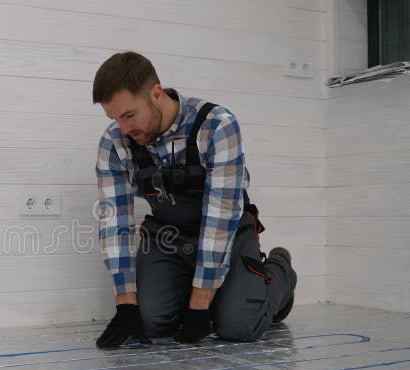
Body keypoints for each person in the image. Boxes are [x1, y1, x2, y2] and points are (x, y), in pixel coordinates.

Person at [92, 51, 297, 348]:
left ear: (156, 94)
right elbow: (114, 222)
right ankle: (216, 292)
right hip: (168, 237)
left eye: (129, 115)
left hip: (227, 232)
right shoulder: (115, 142)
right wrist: (125, 304)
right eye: (114, 118)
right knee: (151, 324)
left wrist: (199, 307)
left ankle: (280, 271)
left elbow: (220, 218)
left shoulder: (216, 126)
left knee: (239, 325)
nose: (123, 129)